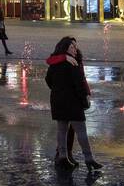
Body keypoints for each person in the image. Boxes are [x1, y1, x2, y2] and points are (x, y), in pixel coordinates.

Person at [44, 37, 102, 174]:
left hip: (58, 101)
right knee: (81, 132)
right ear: (65, 48)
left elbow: (48, 80)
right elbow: (79, 85)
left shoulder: (56, 63)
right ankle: (89, 159)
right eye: (72, 47)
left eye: (75, 47)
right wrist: (84, 101)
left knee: (62, 130)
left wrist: (57, 90)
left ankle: (63, 157)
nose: (75, 49)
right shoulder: (72, 63)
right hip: (73, 103)